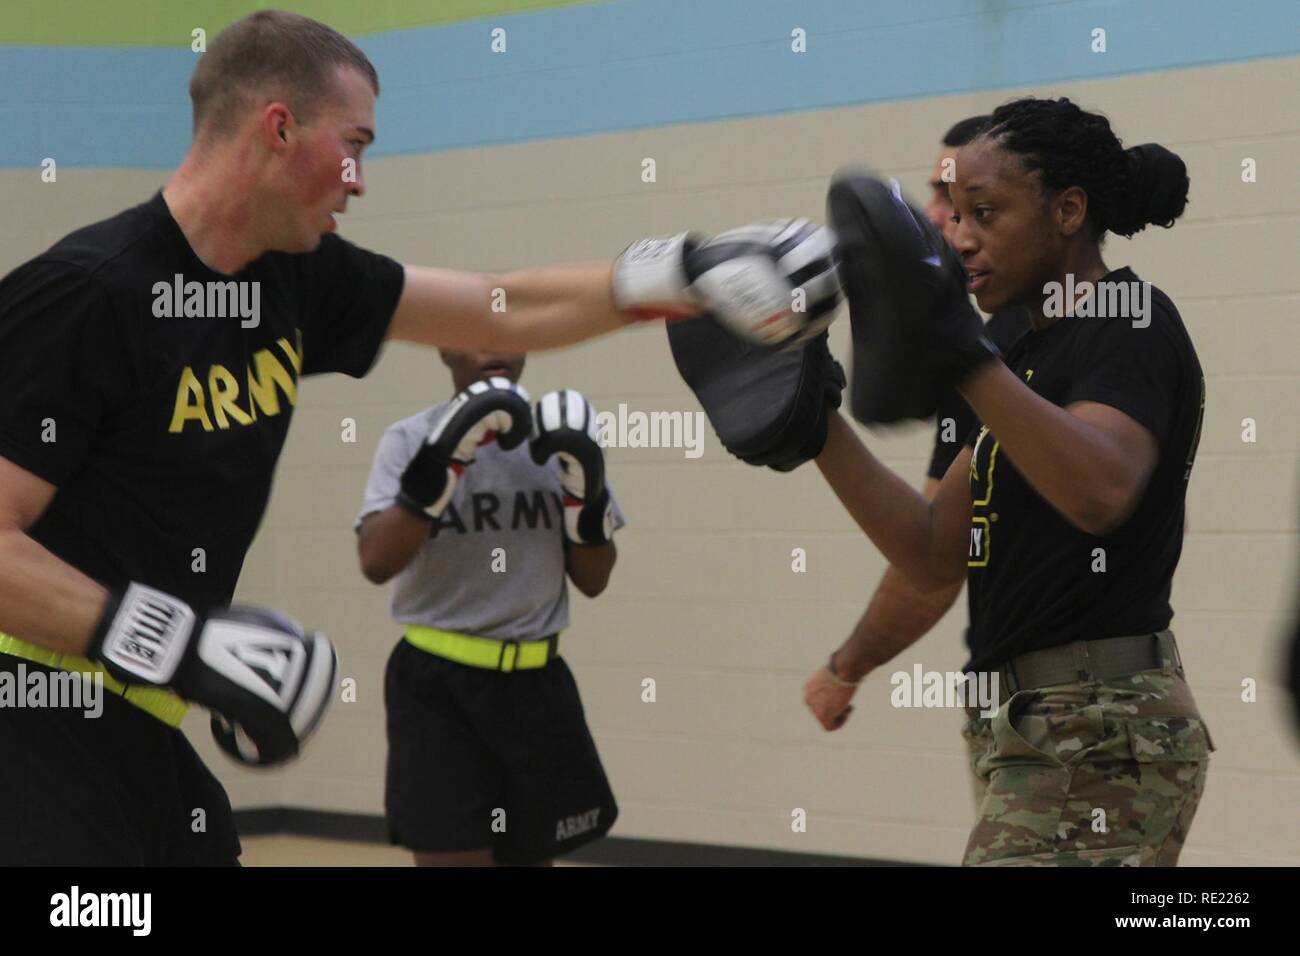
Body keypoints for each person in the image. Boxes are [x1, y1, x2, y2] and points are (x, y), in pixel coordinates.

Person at [0, 10, 835, 865]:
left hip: (137, 720)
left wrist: (676, 273)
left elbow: (496, 304)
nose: (359, 180)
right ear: (279, 128)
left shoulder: (294, 278)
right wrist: (174, 641)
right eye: (354, 143)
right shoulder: (85, 295)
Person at [813, 97, 1212, 865]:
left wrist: (965, 358)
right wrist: (814, 426)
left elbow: (1100, 490)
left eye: (985, 212)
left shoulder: (1128, 322)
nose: (960, 238)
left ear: (1067, 211)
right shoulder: (1015, 351)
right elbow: (932, 553)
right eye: (955, 215)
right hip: (1026, 723)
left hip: (1103, 726)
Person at [803, 117, 1028, 734]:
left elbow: (933, 564)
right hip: (1037, 699)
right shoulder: (1011, 342)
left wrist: (846, 668)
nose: (932, 214)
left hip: (1069, 714)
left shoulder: (996, 355)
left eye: (956, 198)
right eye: (935, 193)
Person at [356, 351, 623, 866]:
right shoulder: (410, 438)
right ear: (443, 346)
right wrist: (443, 461)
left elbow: (594, 579)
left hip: (537, 686)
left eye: (506, 336)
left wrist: (585, 492)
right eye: (475, 335)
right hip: (438, 692)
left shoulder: (558, 437)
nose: (492, 350)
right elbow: (375, 561)